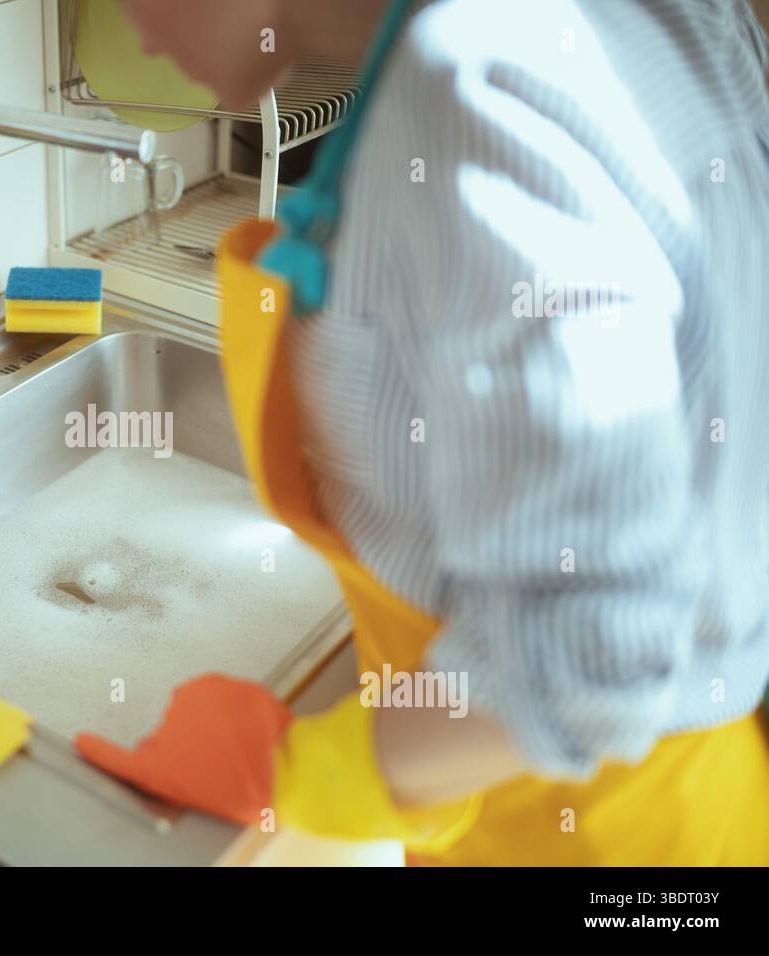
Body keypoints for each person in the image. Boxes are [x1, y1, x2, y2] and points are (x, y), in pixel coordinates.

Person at [74, 0, 769, 864]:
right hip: (660, 807)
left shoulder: (481, 79)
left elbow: (592, 657)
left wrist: (297, 772)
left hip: (589, 835)